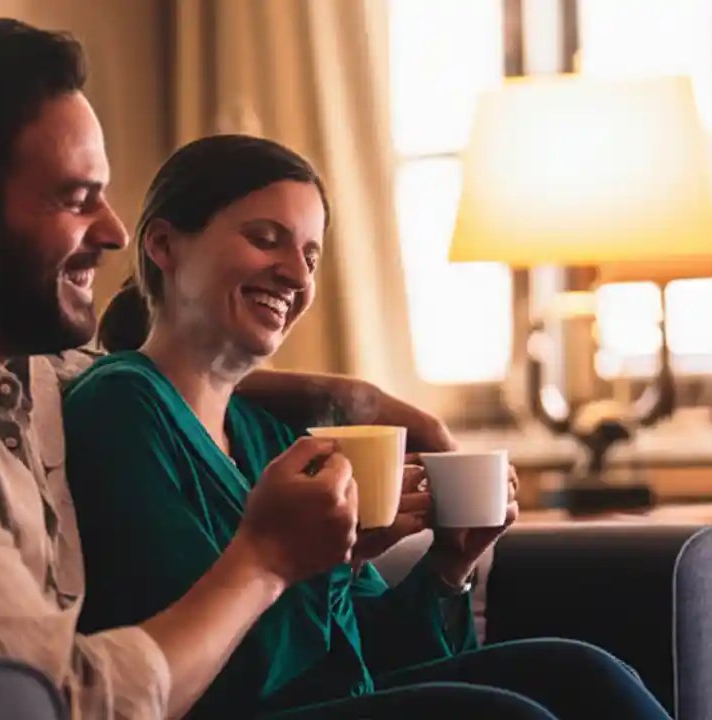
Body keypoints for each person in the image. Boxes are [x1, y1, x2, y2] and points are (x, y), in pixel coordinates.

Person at [0, 16, 458, 719]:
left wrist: (355, 401)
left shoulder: (26, 373)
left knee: (572, 674)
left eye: (309, 254)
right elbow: (62, 704)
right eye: (76, 198)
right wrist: (268, 559)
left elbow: (161, 372)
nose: (115, 232)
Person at [67, 134, 674, 720]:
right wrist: (328, 563)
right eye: (264, 239)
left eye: (309, 255)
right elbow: (221, 678)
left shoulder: (273, 440)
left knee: (581, 672)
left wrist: (448, 567)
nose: (296, 277)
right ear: (164, 246)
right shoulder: (124, 408)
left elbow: (375, 663)